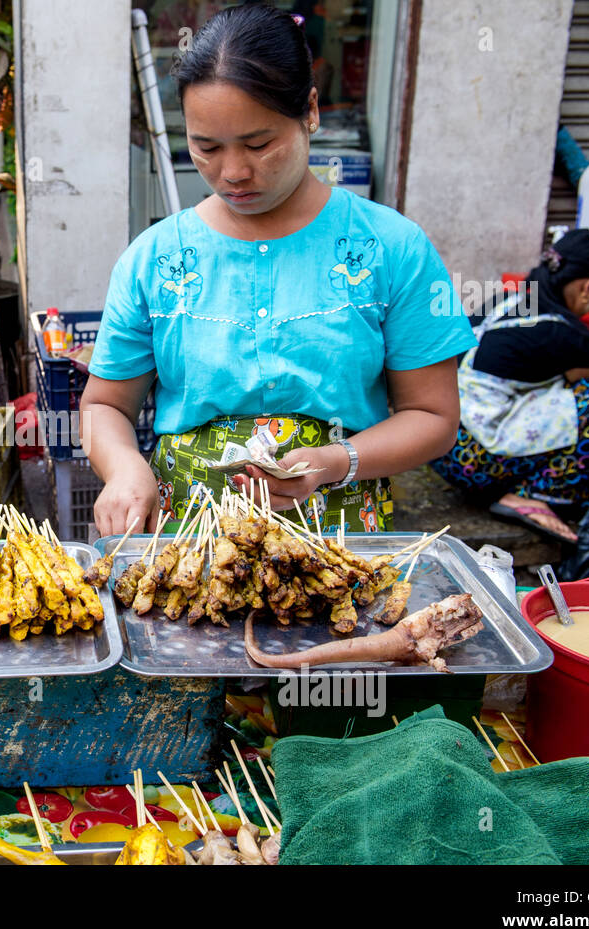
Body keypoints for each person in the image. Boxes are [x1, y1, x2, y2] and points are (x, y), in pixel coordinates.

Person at [82, 3, 476, 536]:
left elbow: (433, 418)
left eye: (260, 143)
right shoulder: (155, 258)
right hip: (187, 543)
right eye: (206, 148)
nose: (234, 172)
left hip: (340, 542)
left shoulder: (392, 248)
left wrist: (335, 461)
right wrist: (125, 468)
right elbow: (106, 404)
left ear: (309, 110)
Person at [430, 228, 589, 543]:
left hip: (441, 445)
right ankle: (537, 495)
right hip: (476, 460)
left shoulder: (509, 300)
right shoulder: (563, 333)